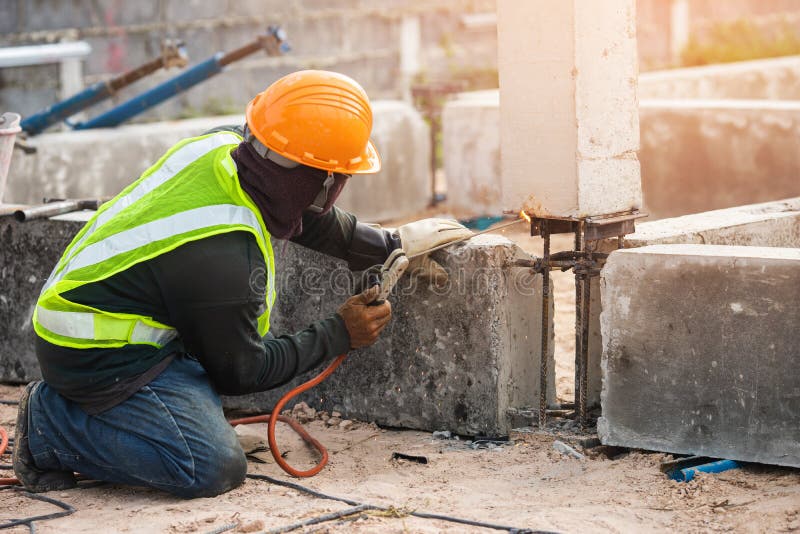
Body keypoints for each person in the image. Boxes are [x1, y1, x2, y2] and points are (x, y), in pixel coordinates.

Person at [13, 70, 472, 497]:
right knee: (211, 465)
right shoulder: (223, 257)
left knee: (203, 403)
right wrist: (338, 333)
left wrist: (388, 245)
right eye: (338, 177)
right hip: (97, 358)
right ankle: (48, 426)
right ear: (324, 182)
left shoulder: (232, 150)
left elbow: (300, 210)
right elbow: (241, 373)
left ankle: (164, 407)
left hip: (102, 318)